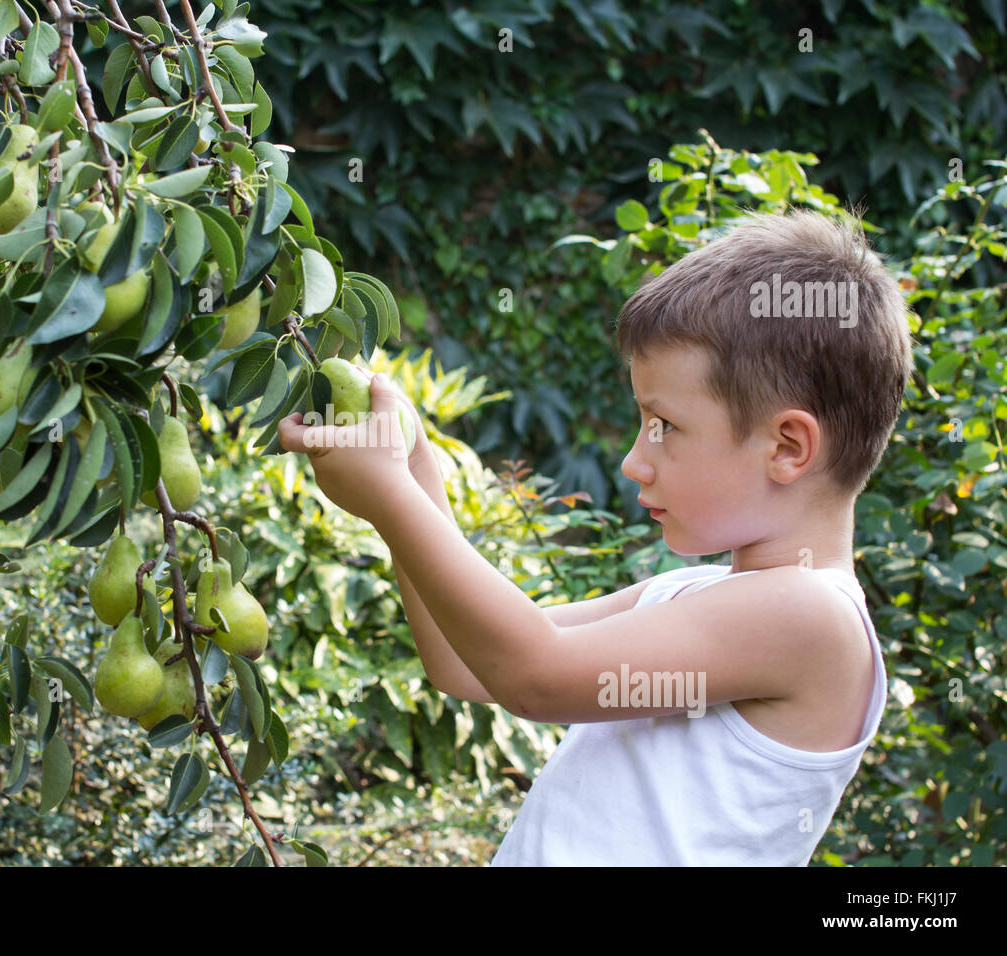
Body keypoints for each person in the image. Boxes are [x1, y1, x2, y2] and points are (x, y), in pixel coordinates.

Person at [276, 208, 915, 865]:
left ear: (787, 447)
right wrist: (412, 466)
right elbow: (468, 665)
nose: (633, 461)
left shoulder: (810, 616)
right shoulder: (691, 592)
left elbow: (534, 676)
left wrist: (389, 496)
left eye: (662, 426)